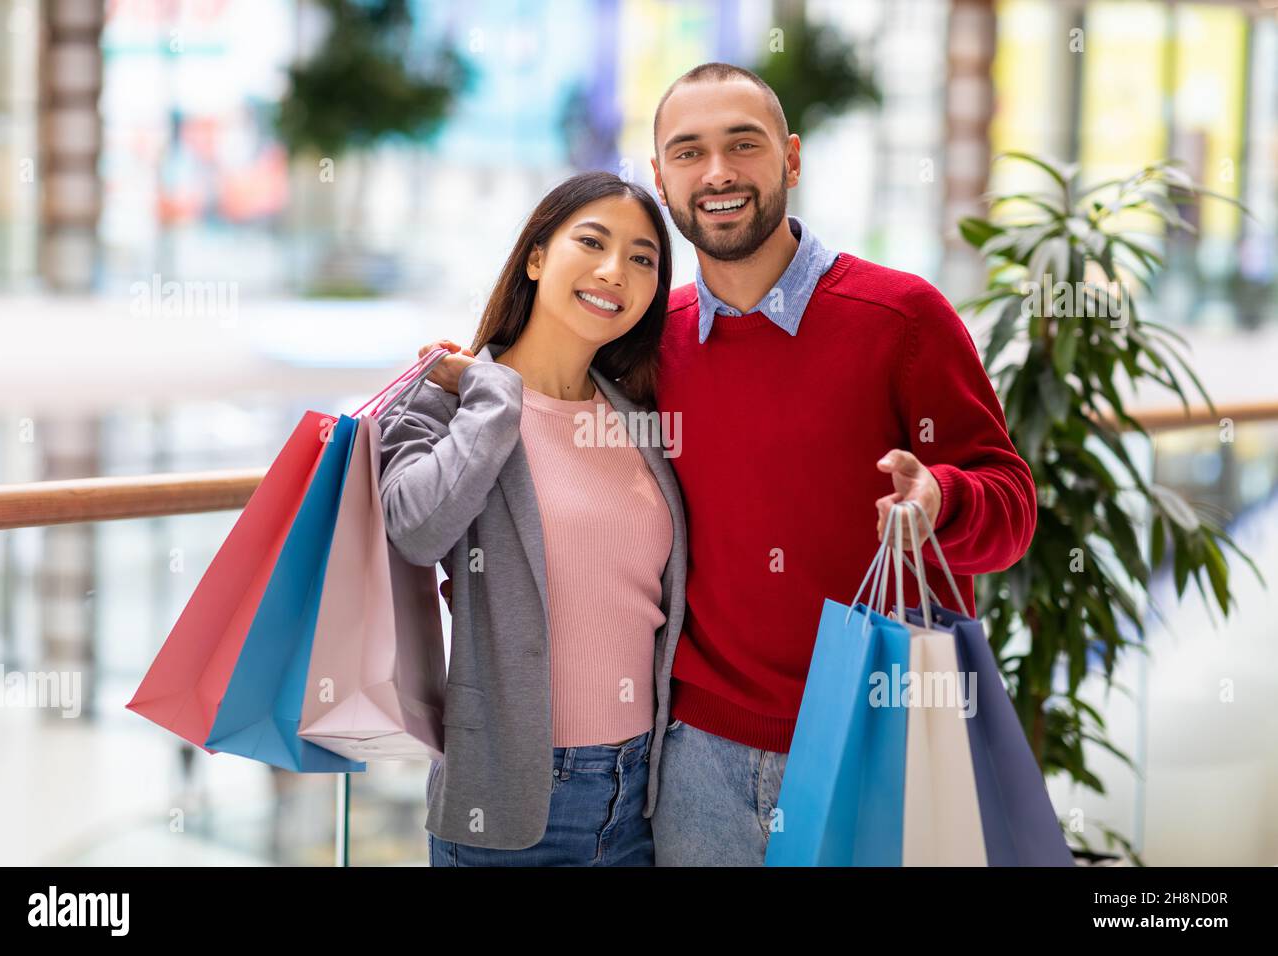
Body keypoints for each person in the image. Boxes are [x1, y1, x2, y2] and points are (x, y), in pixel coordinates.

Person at [645, 62, 1038, 865]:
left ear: (790, 159)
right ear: (660, 178)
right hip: (696, 764)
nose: (717, 172)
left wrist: (945, 501)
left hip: (884, 737)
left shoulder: (902, 319)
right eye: (688, 152)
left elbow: (1013, 514)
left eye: (742, 145)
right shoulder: (652, 344)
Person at [376, 170, 687, 865]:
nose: (616, 271)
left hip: (639, 794)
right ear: (536, 257)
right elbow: (417, 529)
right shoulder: (445, 402)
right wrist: (491, 390)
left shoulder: (640, 421)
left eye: (643, 258)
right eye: (593, 242)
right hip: (511, 798)